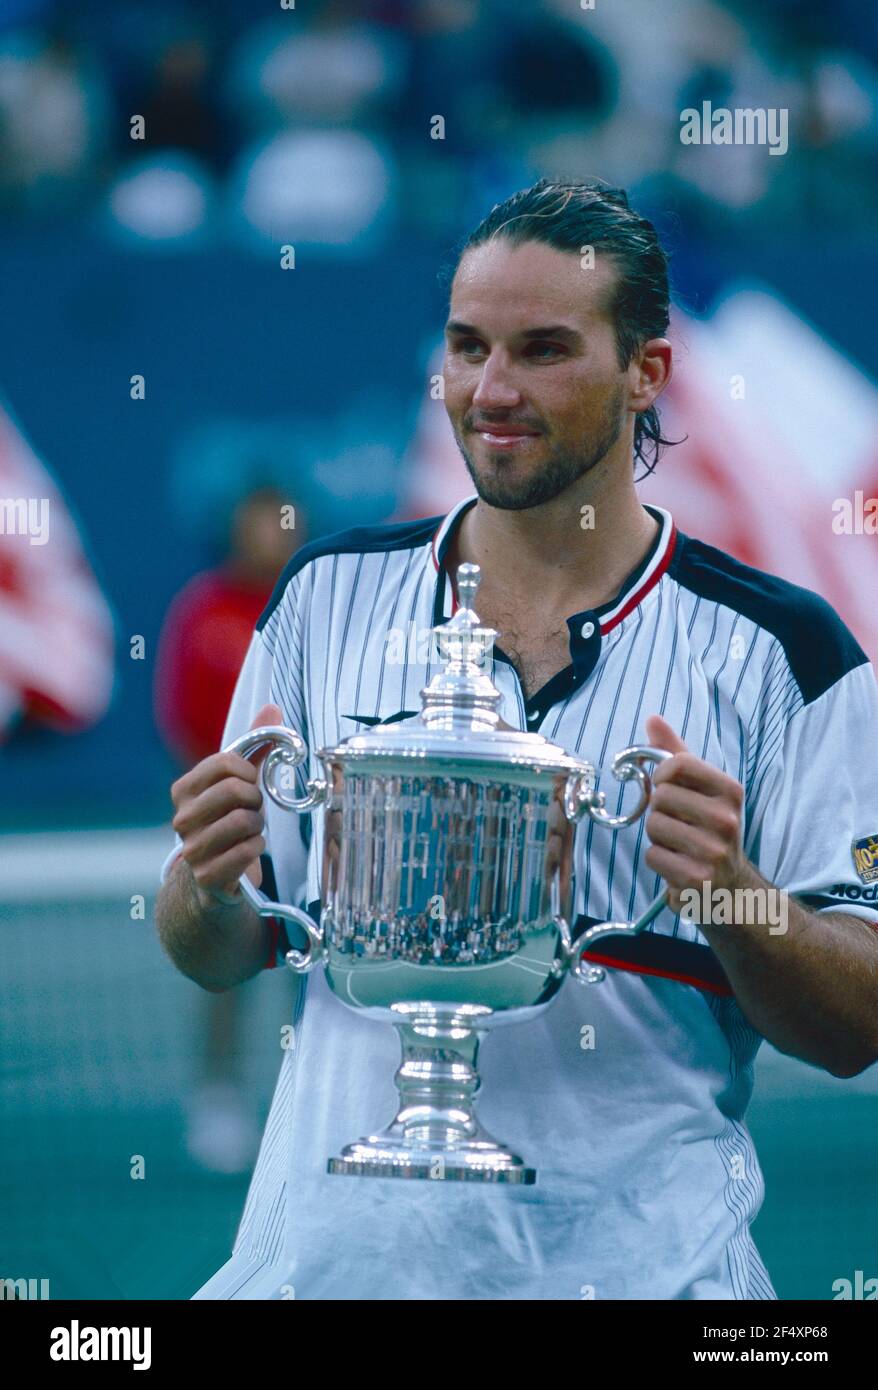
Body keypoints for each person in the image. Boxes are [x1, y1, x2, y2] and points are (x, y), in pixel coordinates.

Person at [155, 179, 878, 1300]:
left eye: (543, 350)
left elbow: (855, 1025)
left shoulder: (786, 649)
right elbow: (213, 949)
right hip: (326, 1279)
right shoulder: (321, 597)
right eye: (466, 347)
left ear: (647, 371)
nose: (491, 390)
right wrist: (204, 882)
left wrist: (733, 896)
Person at [154, 485, 302, 1174]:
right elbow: (181, 713)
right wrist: (214, 804)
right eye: (259, 521)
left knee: (311, 968)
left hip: (305, 824)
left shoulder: (308, 606)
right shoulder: (203, 609)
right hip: (227, 825)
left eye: (282, 521)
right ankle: (219, 1102)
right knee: (224, 959)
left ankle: (306, 1104)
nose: (272, 533)